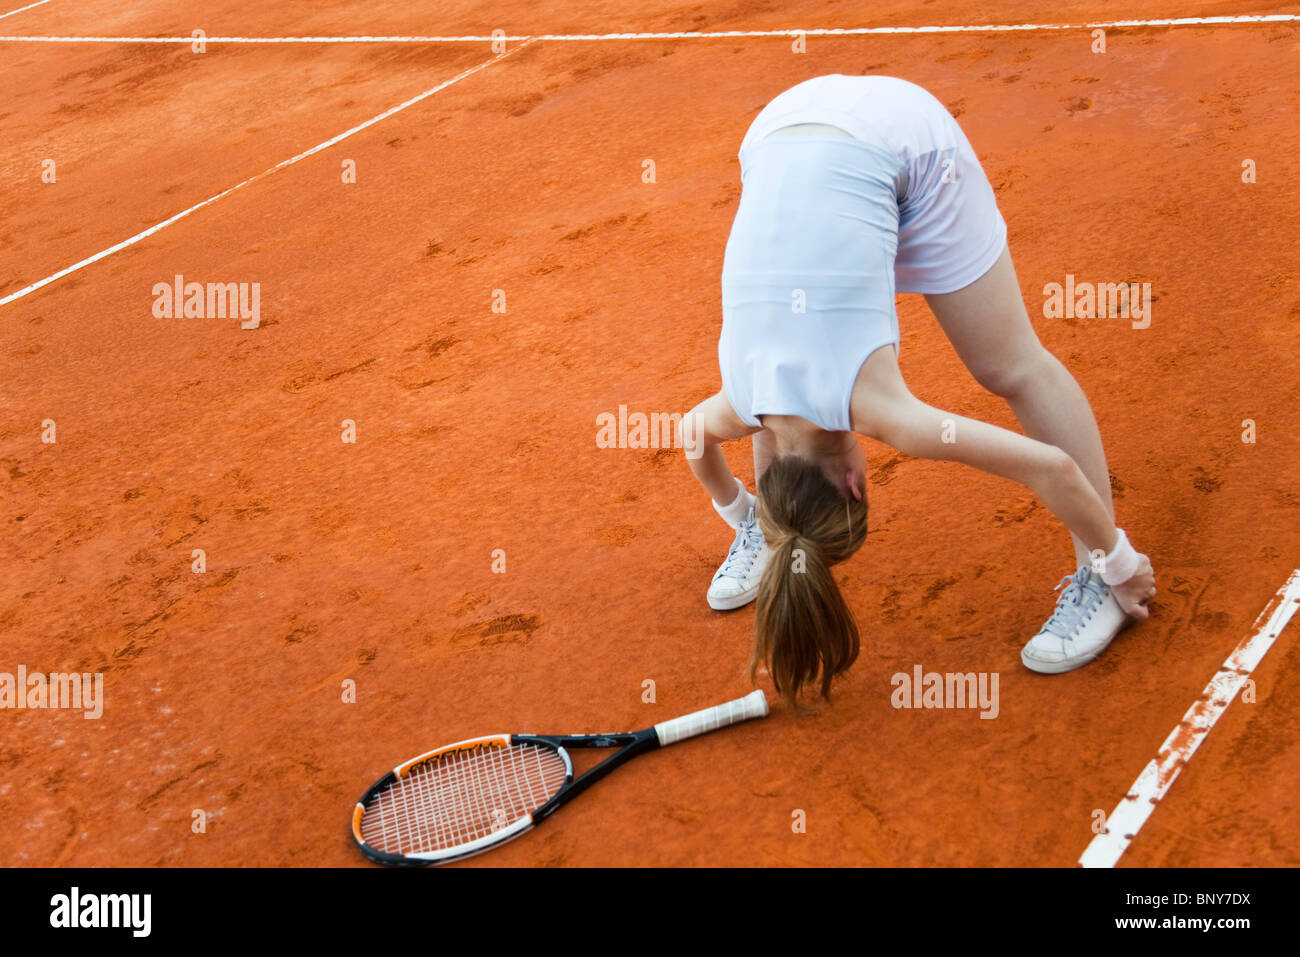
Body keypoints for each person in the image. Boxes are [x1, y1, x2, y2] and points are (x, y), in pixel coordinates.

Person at [683, 75, 1156, 708]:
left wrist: (1119, 563)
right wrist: (742, 508)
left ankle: (1098, 588)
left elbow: (1055, 470)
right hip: (779, 125)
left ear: (854, 485)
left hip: (907, 141)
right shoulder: (737, 404)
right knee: (782, 392)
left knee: (1010, 367)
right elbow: (693, 439)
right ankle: (763, 530)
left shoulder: (890, 417)